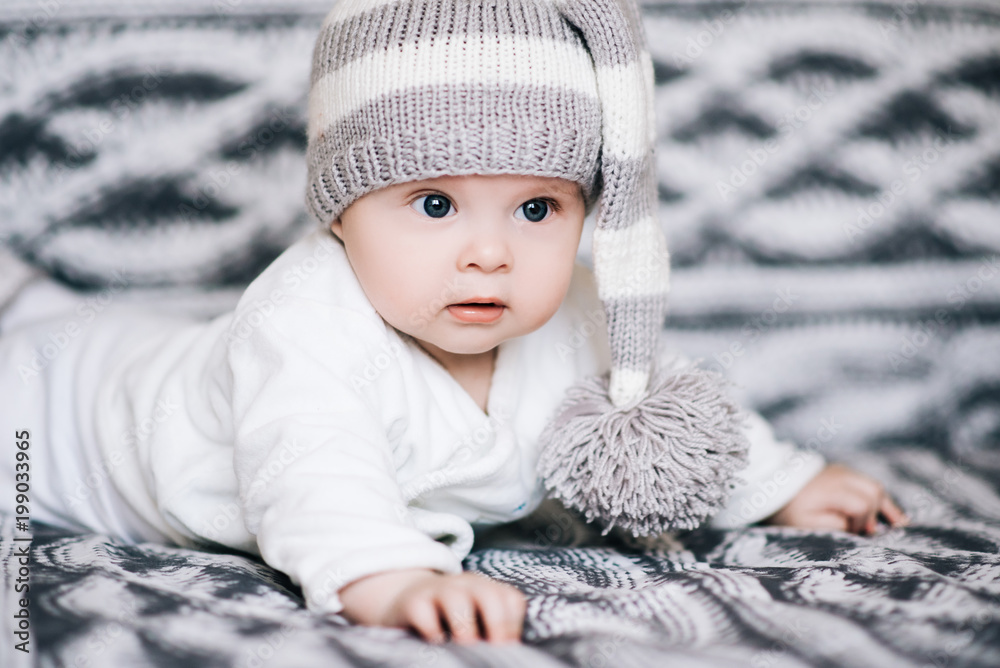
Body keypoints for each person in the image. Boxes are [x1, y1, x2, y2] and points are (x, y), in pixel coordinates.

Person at [0, 0, 909, 647]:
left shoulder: (577, 319)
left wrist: (783, 481)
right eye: (435, 204)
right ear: (340, 212)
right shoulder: (304, 324)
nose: (490, 253)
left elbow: (650, 407)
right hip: (68, 420)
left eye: (538, 209)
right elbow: (310, 469)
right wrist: (385, 574)